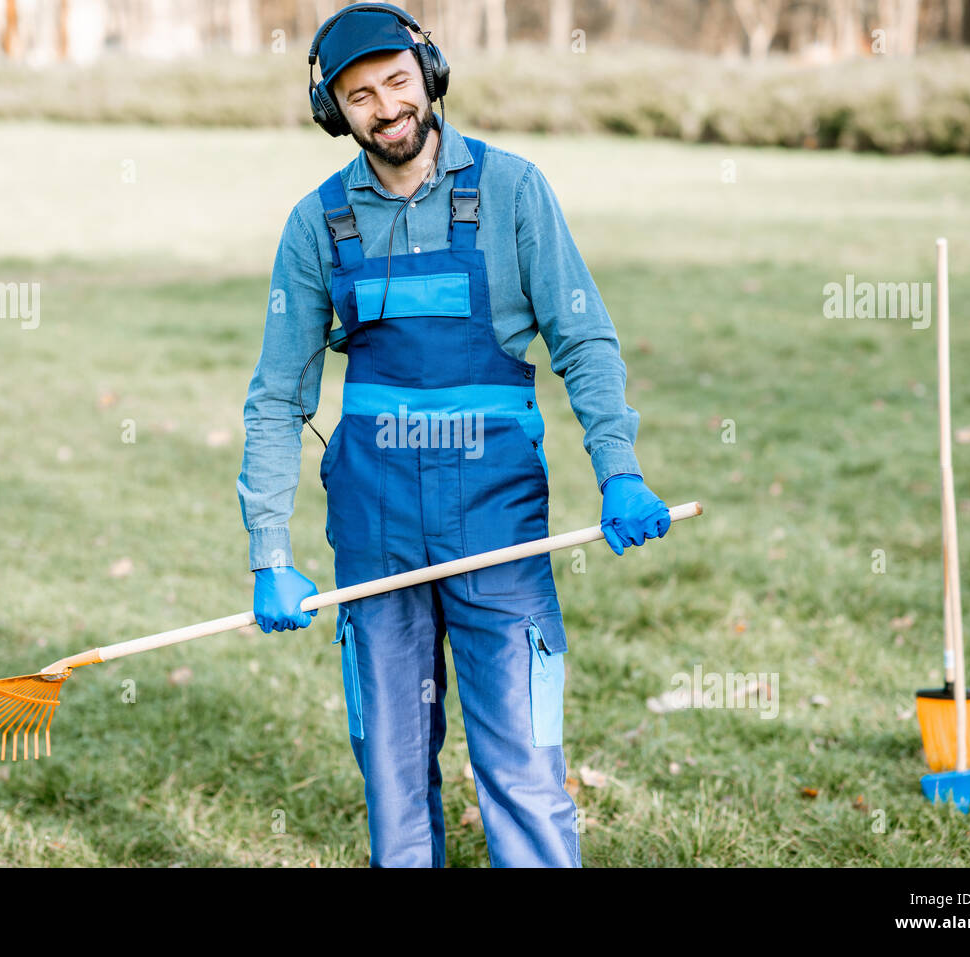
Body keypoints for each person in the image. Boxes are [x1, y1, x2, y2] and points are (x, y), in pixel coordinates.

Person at [236, 2, 671, 868]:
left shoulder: (514, 191)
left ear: (428, 75)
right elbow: (277, 398)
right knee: (393, 778)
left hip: (496, 527)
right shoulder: (317, 224)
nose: (385, 107)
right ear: (334, 112)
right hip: (376, 530)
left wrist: (618, 469)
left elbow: (582, 338)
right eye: (358, 95)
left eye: (397, 81)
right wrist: (268, 551)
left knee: (522, 761)